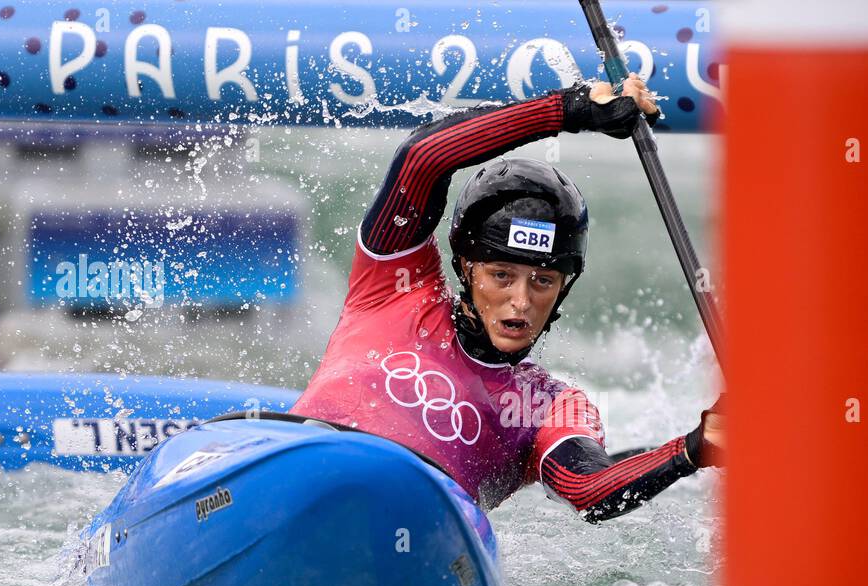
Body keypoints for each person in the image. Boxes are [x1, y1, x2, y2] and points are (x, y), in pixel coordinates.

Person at [291, 75, 723, 521]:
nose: (520, 300)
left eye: (542, 281)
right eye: (501, 275)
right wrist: (569, 110)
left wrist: (693, 448)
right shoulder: (393, 287)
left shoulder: (546, 406)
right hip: (293, 464)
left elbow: (589, 489)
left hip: (409, 531)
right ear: (465, 267)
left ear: (563, 289)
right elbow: (423, 157)